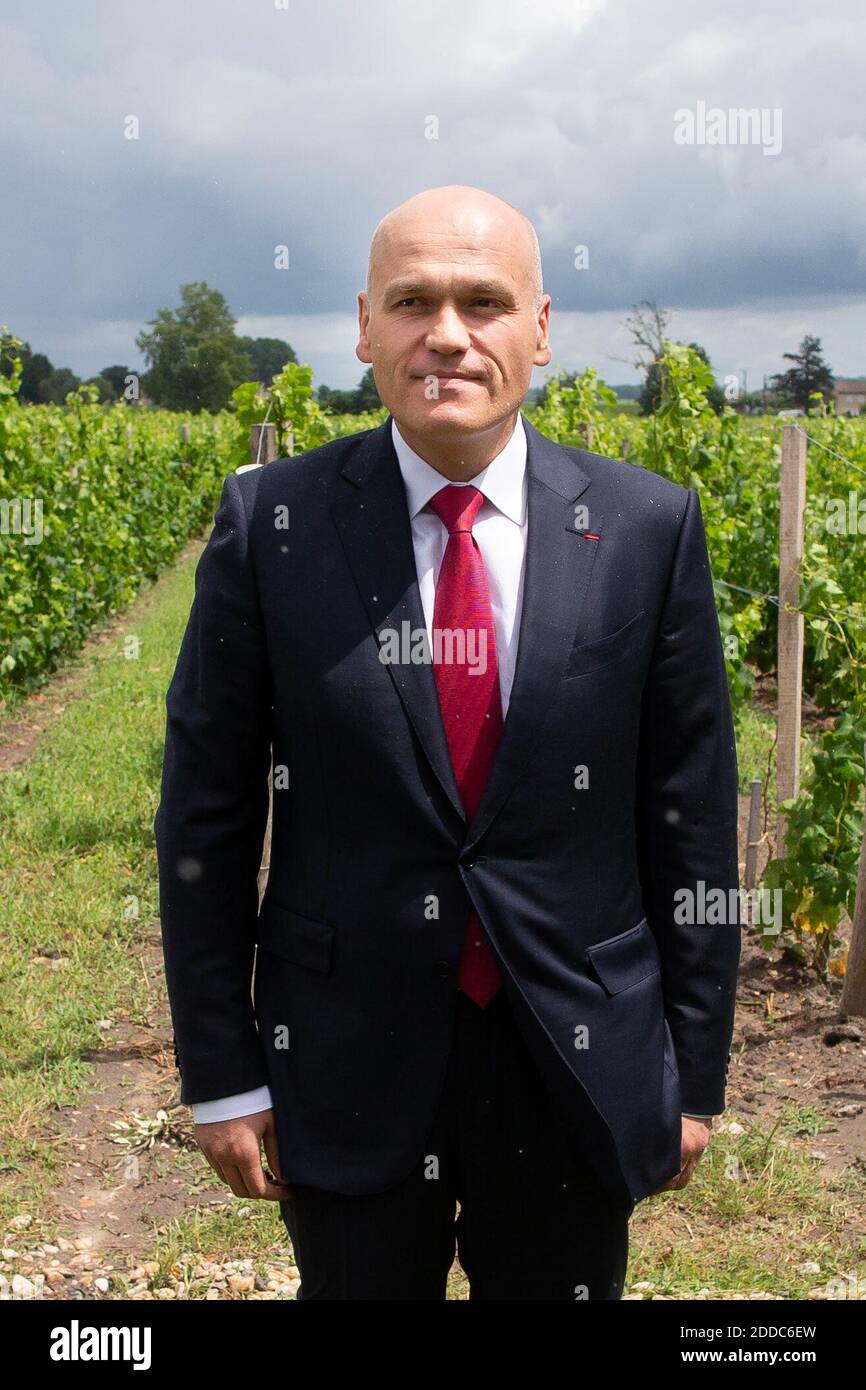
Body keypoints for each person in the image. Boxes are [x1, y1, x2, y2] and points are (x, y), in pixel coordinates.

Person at [154, 184, 741, 1300]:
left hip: (573, 1055)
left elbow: (689, 811)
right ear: (365, 324)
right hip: (344, 1056)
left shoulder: (644, 528)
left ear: (540, 327)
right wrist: (222, 1072)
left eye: (485, 300)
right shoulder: (269, 525)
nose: (449, 335)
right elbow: (207, 813)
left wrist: (692, 1068)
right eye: (413, 301)